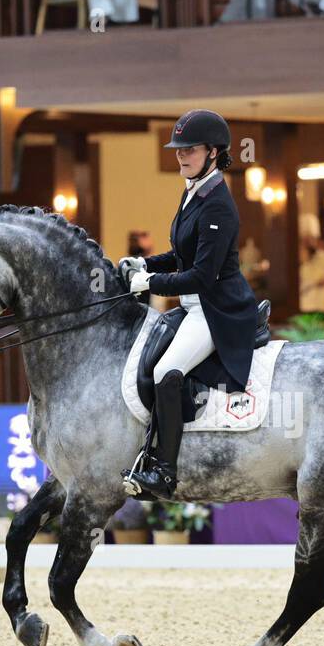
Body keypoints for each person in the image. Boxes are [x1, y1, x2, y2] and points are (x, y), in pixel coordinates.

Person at [118, 109, 259, 499]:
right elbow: (182, 253)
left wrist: (151, 282)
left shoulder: (217, 204)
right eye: (178, 149)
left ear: (214, 152)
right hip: (192, 306)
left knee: (167, 371)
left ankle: (164, 471)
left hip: (216, 310)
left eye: (190, 150)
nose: (181, 156)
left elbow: (201, 275)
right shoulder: (194, 191)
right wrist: (146, 262)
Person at [298, 236, 324, 314]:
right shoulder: (304, 266)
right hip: (305, 306)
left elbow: (322, 281)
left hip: (319, 306)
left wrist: (313, 283)